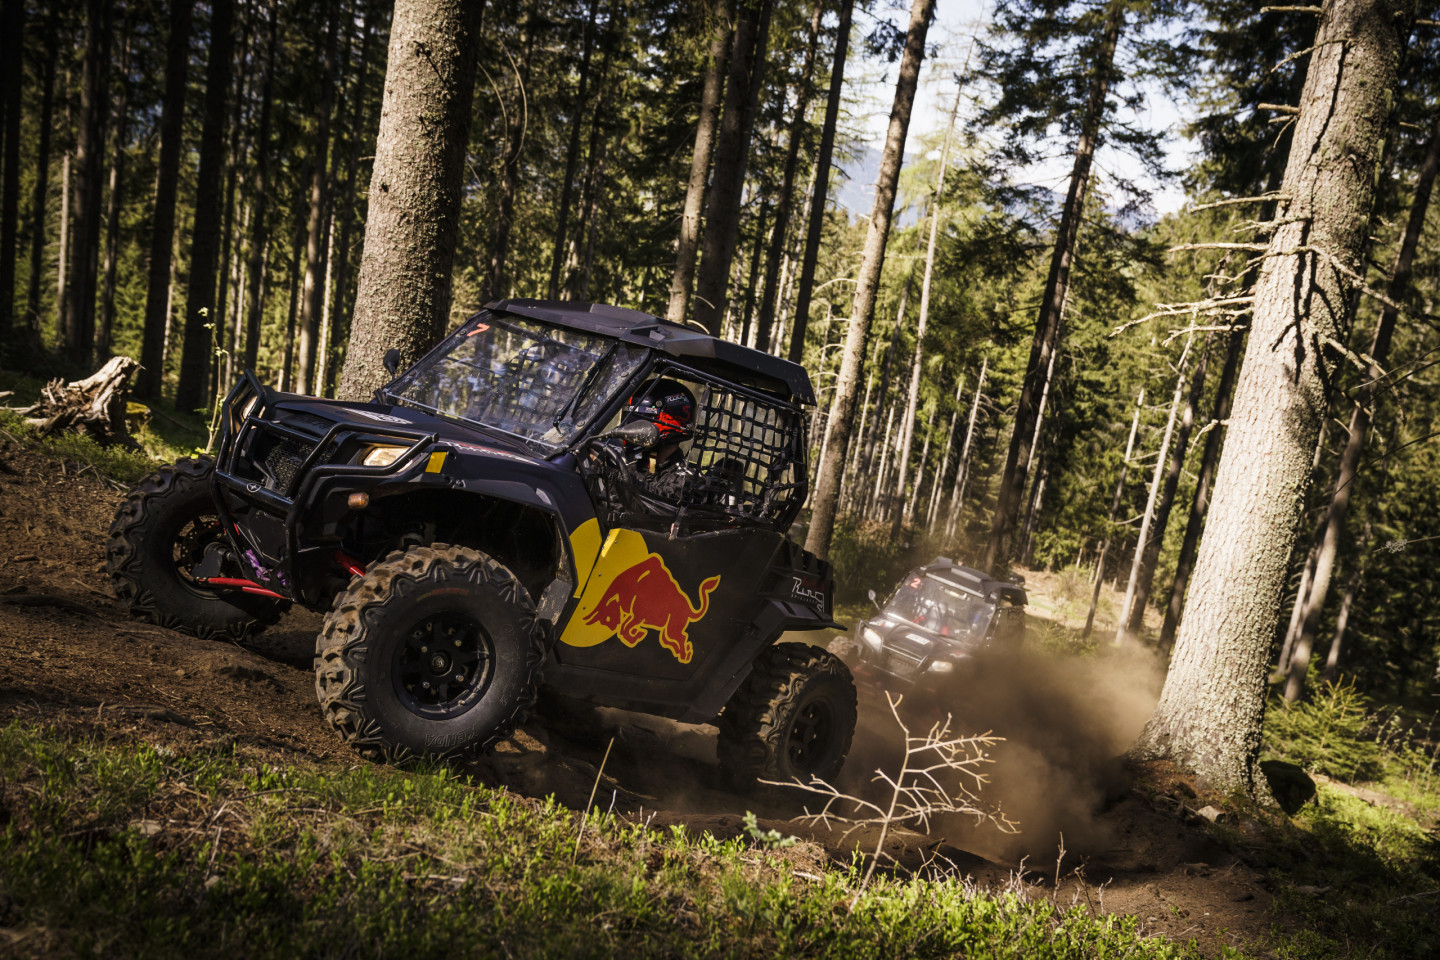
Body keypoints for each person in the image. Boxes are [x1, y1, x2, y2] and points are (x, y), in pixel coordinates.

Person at [615, 378, 698, 501]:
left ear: (668, 423)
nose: (631, 429)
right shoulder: (637, 468)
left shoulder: (689, 481)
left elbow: (655, 498)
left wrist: (611, 474)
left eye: (639, 422)